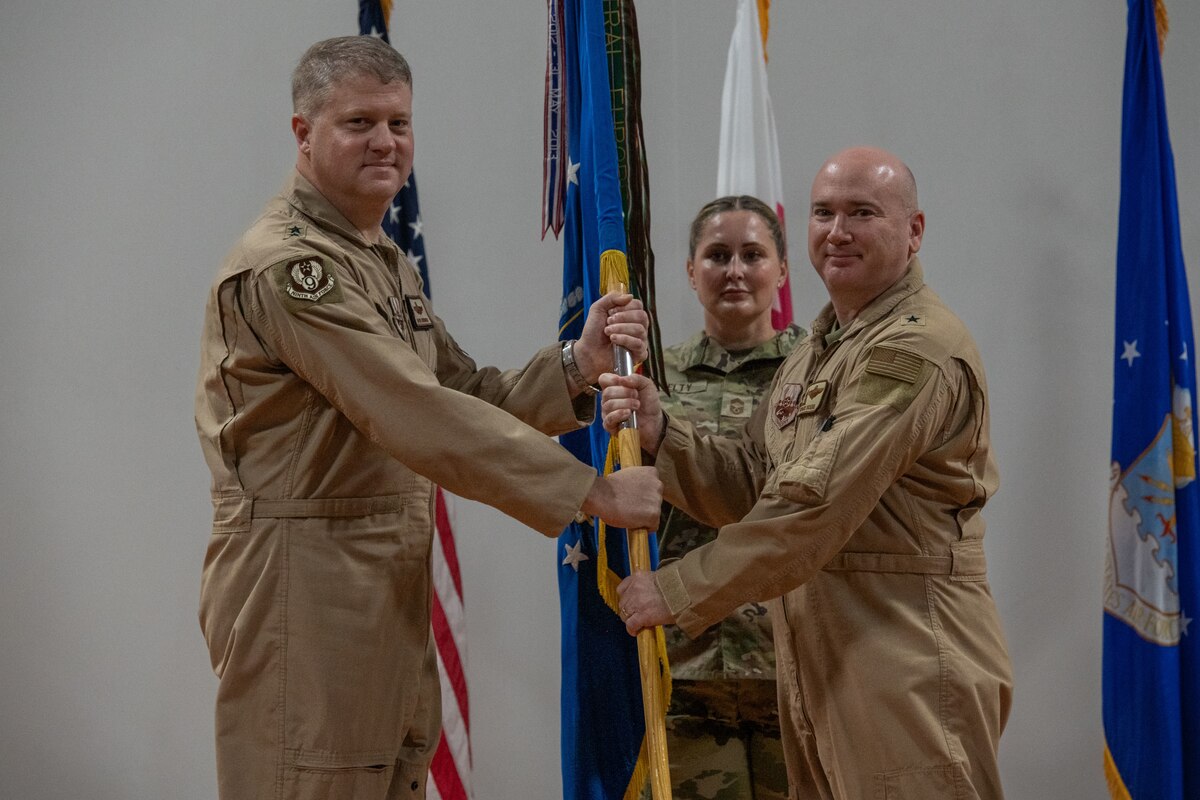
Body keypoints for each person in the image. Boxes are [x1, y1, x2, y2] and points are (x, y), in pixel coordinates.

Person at [194, 36, 662, 800]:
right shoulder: (289, 268)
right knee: (314, 781)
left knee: (393, 775)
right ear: (303, 132)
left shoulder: (377, 258)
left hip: (380, 577)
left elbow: (460, 391)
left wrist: (576, 366)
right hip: (305, 584)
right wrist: (592, 491)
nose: (385, 141)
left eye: (399, 123)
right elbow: (413, 411)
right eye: (359, 123)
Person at [605, 147, 1013, 799]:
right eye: (823, 213)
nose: (837, 231)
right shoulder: (816, 352)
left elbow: (813, 503)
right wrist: (662, 434)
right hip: (822, 653)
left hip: (904, 652)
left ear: (914, 231)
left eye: (862, 213)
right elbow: (750, 481)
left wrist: (678, 589)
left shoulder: (913, 348)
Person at [647, 196, 802, 800]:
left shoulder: (816, 375)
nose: (735, 271)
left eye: (752, 255)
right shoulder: (652, 382)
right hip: (684, 662)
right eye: (717, 256)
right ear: (691, 271)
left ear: (782, 270)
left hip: (794, 659)